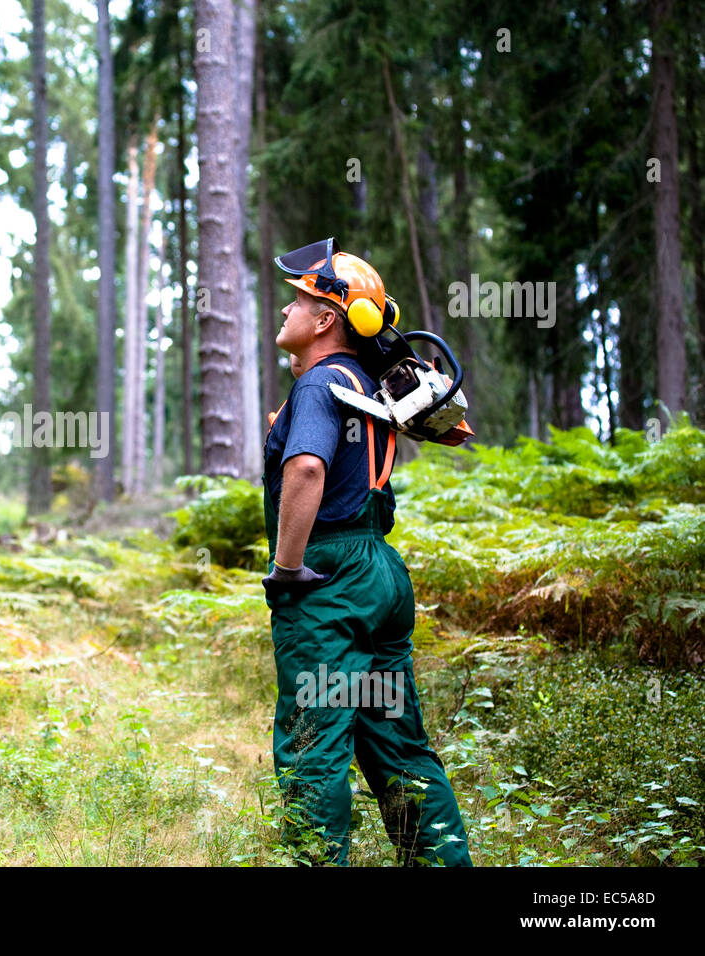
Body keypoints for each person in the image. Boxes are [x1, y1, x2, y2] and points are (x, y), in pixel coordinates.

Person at [261, 238, 472, 866]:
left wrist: (287, 566)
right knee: (398, 744)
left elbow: (305, 471)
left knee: (314, 745)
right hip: (380, 574)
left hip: (329, 579)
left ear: (326, 320)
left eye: (297, 300)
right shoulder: (366, 385)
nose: (284, 311)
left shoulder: (324, 385)